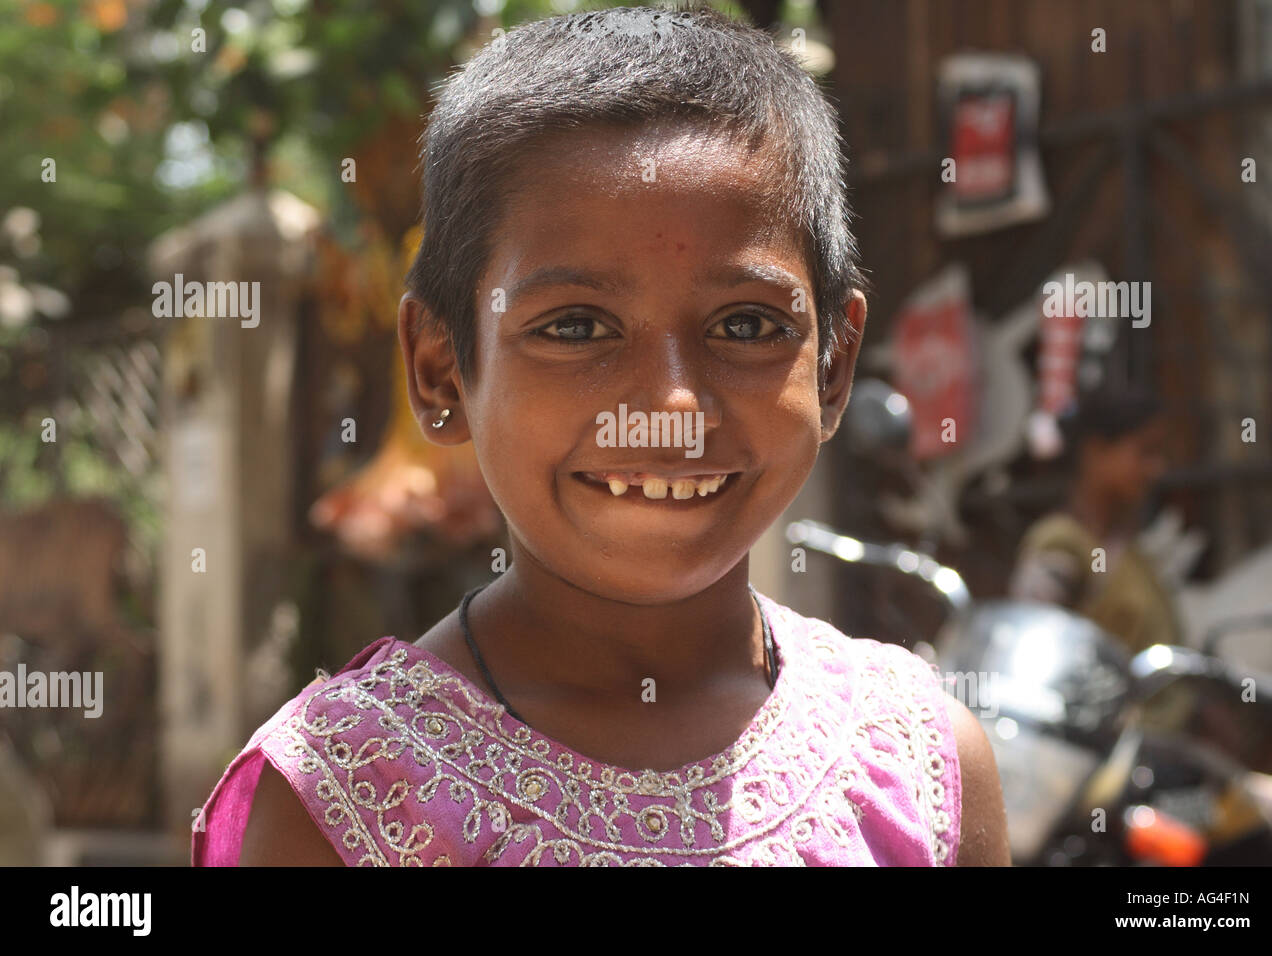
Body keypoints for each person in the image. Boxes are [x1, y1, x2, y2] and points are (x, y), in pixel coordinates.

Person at [193, 3, 1008, 867]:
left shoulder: (921, 761)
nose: (672, 407)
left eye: (745, 326)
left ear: (833, 365)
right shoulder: (345, 794)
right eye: (577, 328)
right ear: (441, 370)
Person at [1009, 386, 1181, 653]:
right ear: (1096, 451)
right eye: (1146, 451)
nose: (1157, 469)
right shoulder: (1062, 543)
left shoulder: (1126, 547)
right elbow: (1032, 645)